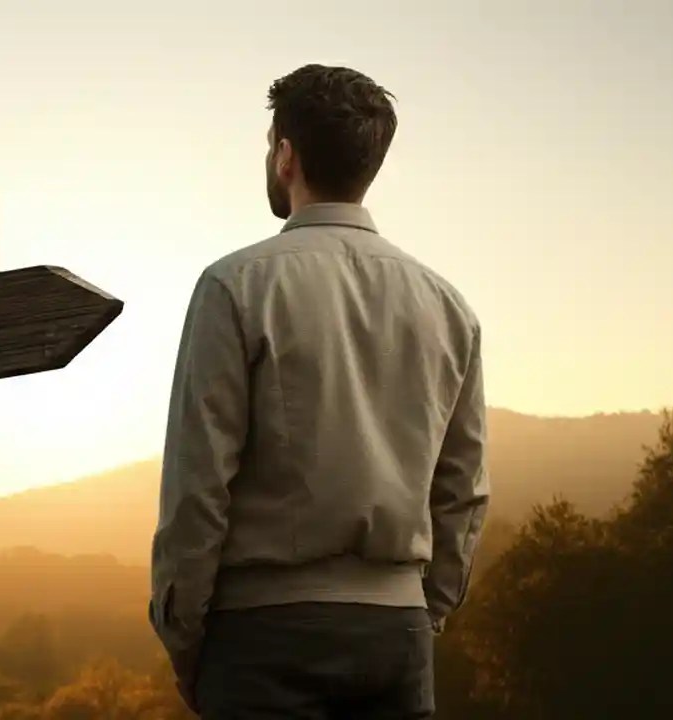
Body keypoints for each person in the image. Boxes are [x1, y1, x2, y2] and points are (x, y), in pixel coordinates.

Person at [149, 64, 490, 719]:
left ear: (285, 156)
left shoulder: (233, 287)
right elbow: (464, 492)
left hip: (260, 640)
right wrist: (425, 615)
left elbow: (198, 487)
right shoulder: (449, 307)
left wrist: (185, 633)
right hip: (397, 637)